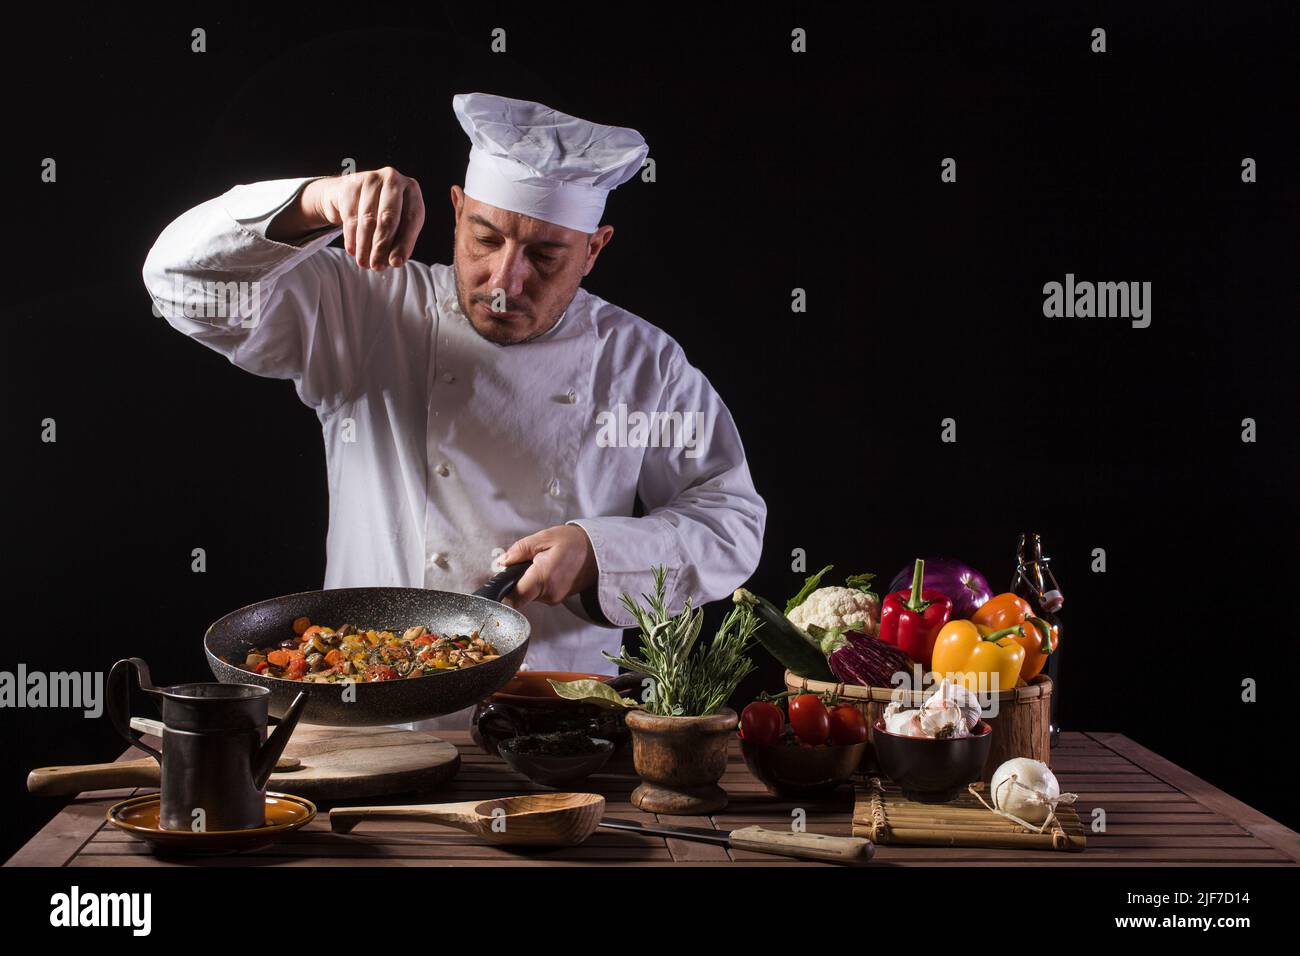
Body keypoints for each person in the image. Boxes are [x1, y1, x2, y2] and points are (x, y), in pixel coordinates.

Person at [142, 92, 766, 727]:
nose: (504, 280)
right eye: (485, 238)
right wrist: (316, 202)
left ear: (594, 249)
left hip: (549, 724)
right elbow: (181, 284)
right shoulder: (367, 310)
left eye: (545, 256)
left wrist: (599, 551)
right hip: (367, 714)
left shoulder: (643, 364)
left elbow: (729, 520)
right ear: (457, 209)